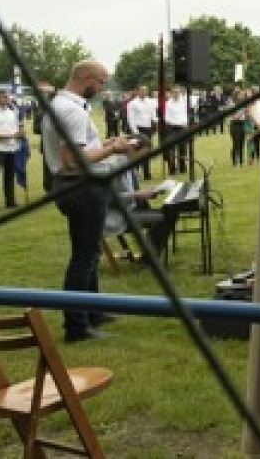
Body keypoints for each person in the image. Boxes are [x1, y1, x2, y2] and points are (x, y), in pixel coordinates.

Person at [43, 59, 135, 343]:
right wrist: (114, 150)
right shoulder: (72, 111)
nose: (101, 88)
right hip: (80, 186)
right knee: (83, 256)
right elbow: (73, 160)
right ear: (86, 78)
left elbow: (80, 150)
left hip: (72, 185)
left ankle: (92, 311)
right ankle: (77, 325)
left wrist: (107, 144)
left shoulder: (60, 105)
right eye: (100, 82)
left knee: (90, 252)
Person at [99, 134, 176, 260]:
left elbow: (130, 191)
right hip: (117, 215)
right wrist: (137, 194)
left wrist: (151, 191)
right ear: (133, 147)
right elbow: (107, 197)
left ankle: (149, 255)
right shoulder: (114, 165)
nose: (144, 159)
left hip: (131, 209)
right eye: (144, 155)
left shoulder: (129, 163)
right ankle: (149, 259)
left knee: (171, 211)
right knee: (162, 219)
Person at [126, 85, 158, 179]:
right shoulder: (132, 103)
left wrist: (157, 122)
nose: (144, 92)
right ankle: (135, 173)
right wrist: (135, 132)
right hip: (138, 129)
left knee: (147, 151)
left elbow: (153, 115)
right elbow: (130, 118)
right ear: (138, 92)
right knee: (137, 151)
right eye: (142, 91)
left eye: (145, 91)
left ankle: (147, 173)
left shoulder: (151, 102)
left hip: (148, 128)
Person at [163, 85, 190, 174]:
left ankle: (182, 167)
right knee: (171, 150)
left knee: (182, 148)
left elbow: (185, 114)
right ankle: (172, 169)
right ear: (171, 93)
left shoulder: (184, 101)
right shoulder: (168, 103)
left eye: (178, 92)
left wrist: (186, 122)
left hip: (182, 127)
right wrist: (179, 123)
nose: (176, 94)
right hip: (172, 128)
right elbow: (167, 118)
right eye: (175, 92)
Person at [229, 87, 250, 166]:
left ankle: (241, 161)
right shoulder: (232, 104)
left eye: (242, 95)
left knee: (242, 143)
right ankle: (234, 161)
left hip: (242, 124)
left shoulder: (243, 104)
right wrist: (243, 111)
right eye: (240, 94)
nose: (242, 96)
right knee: (236, 143)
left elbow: (246, 116)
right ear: (236, 95)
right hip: (235, 125)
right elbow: (234, 117)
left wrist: (247, 113)